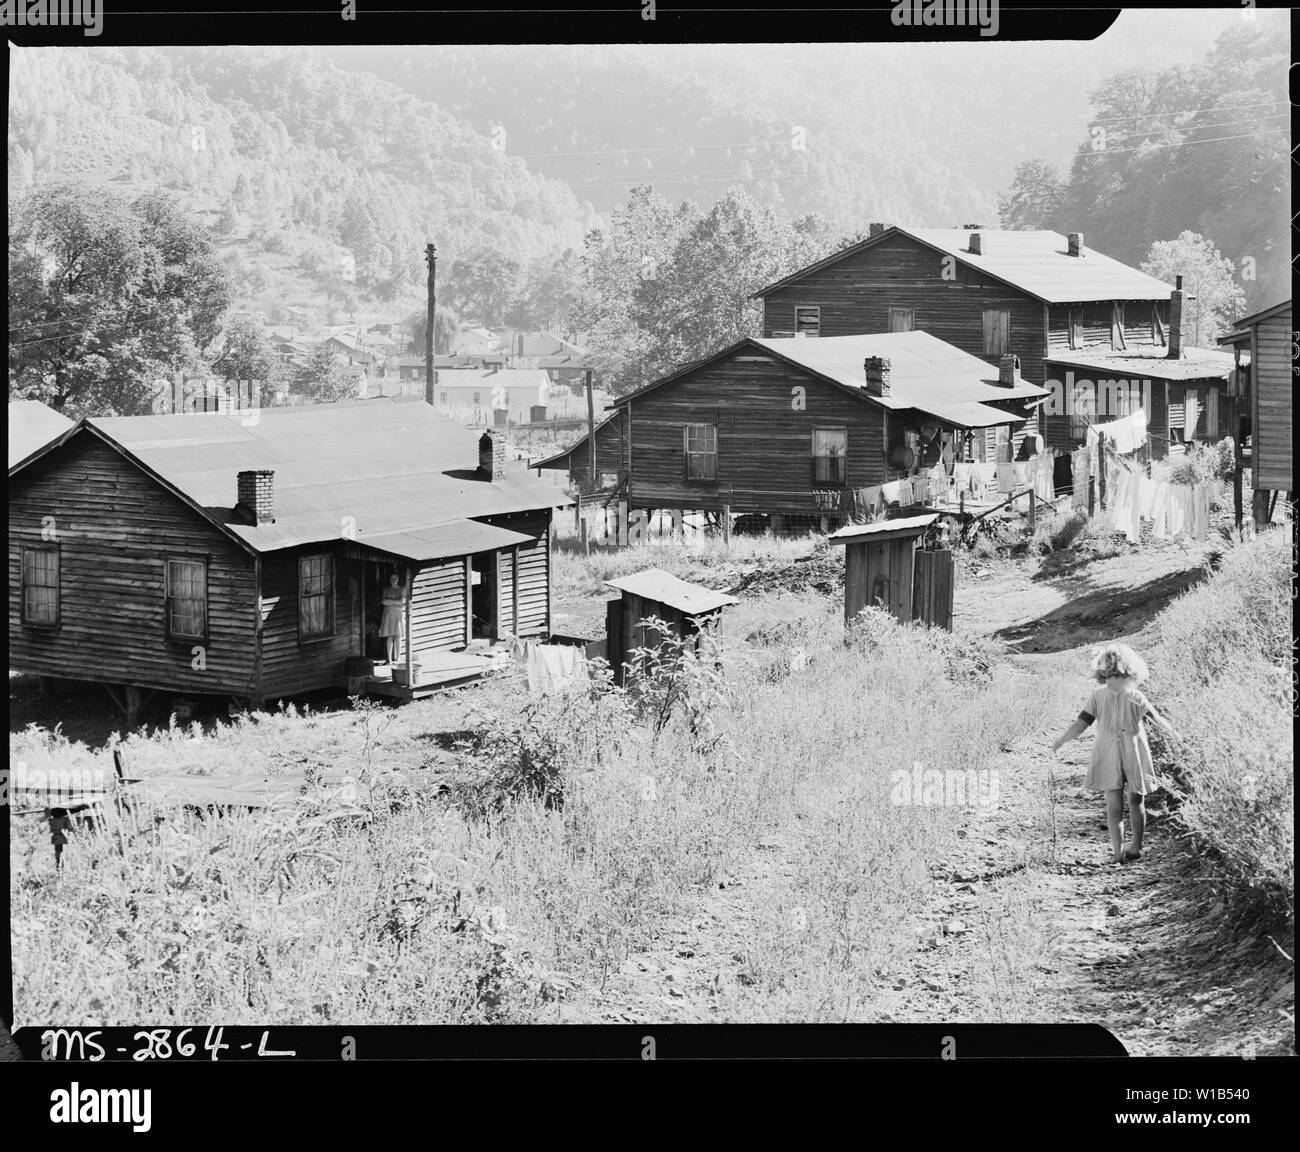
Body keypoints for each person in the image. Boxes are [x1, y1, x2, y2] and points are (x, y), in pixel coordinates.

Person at [1051, 643, 1176, 865]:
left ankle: (1117, 852)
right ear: (1131, 670)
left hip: (1107, 751)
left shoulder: (1098, 697)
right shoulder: (1136, 696)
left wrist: (1061, 740)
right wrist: (1175, 736)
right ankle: (1136, 846)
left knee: (1113, 805)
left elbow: (1081, 725)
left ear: (1102, 672)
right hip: (1135, 750)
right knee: (1137, 802)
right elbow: (1157, 721)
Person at [379, 573, 406, 665]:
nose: (393, 580)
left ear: (398, 579)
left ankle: (397, 658)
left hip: (398, 615)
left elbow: (402, 601)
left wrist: (390, 601)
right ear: (389, 579)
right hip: (388, 615)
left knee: (398, 637)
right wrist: (396, 602)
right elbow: (383, 601)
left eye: (395, 578)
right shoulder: (386, 589)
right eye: (391, 578)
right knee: (389, 636)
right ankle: (389, 659)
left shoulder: (402, 589)